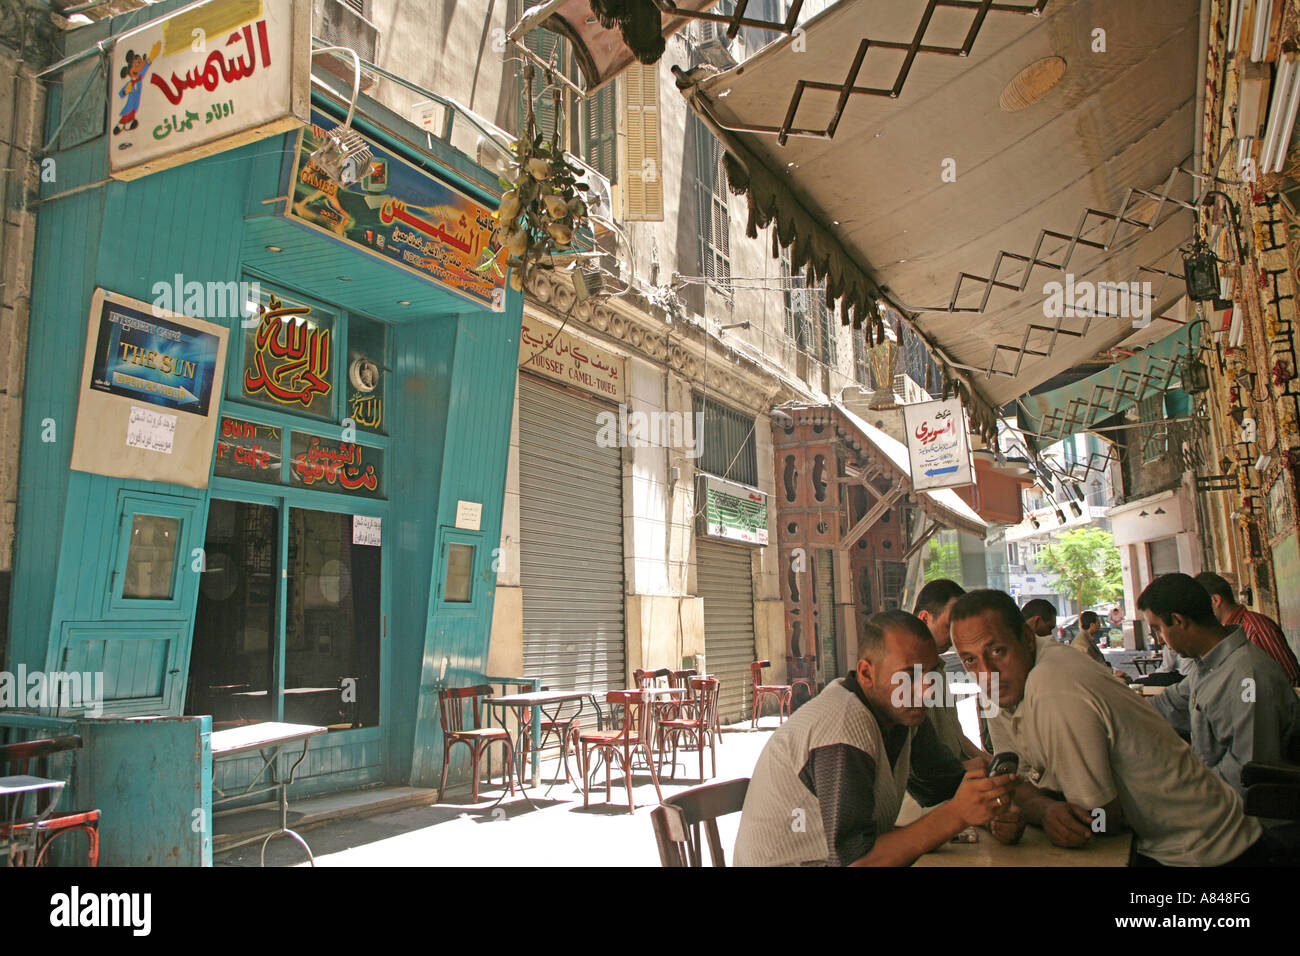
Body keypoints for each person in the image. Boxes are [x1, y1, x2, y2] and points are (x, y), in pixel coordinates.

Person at [950, 588, 1270, 866]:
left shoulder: (1053, 689)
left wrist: (1053, 817)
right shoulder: (1018, 683)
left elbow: (1100, 823)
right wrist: (1034, 809)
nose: (986, 673)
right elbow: (1023, 784)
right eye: (970, 660)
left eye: (996, 651)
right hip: (1183, 842)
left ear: (1026, 638)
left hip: (1209, 854)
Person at [733, 610, 1017, 866]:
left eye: (931, 675)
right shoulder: (844, 725)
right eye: (908, 676)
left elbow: (945, 785)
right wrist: (958, 815)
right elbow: (859, 861)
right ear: (867, 673)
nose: (926, 690)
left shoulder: (902, 714)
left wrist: (1000, 809)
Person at [1139, 574, 1300, 796]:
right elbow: (1170, 703)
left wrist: (1182, 789)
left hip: (1255, 820)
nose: (1159, 640)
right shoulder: (1208, 667)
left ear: (1178, 620)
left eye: (1157, 629)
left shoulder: (1247, 677)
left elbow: (1246, 775)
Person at [913, 579, 983, 760]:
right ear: (925, 618)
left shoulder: (939, 670)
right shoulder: (909, 677)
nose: (955, 636)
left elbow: (955, 738)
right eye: (949, 626)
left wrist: (988, 762)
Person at [1195, 572, 1300, 687]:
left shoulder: (1255, 628)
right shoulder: (1228, 634)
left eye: (1199, 606)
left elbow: (1290, 679)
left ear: (1215, 600)